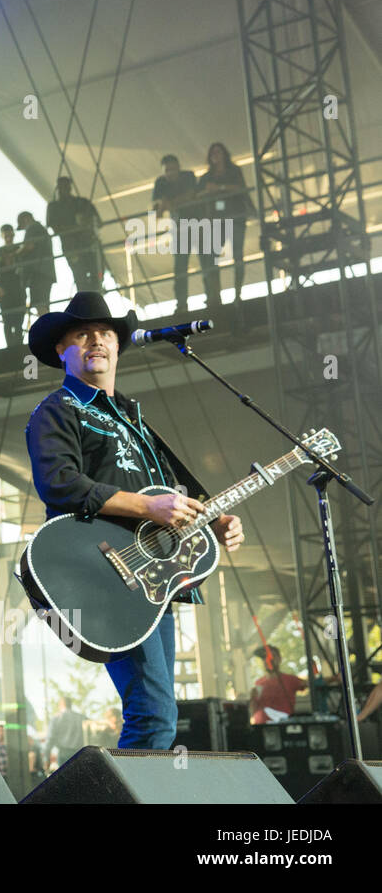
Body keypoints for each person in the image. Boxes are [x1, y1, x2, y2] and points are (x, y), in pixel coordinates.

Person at [23, 292, 245, 748]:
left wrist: (212, 521)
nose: (96, 341)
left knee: (158, 712)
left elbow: (170, 494)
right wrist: (148, 508)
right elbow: (60, 484)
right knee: (154, 713)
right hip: (102, 575)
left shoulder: (133, 417)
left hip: (151, 577)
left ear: (119, 347)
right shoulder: (57, 410)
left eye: (105, 333)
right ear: (61, 350)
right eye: (82, 334)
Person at [195, 142, 251, 309]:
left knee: (238, 257)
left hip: (236, 218)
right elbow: (198, 194)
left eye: (218, 152)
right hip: (215, 221)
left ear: (224, 154)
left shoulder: (234, 171)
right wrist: (209, 191)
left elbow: (240, 188)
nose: (216, 156)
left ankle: (237, 294)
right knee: (211, 258)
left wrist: (219, 188)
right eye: (213, 153)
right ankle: (214, 295)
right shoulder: (206, 177)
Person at [151, 154, 200, 312]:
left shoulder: (188, 176)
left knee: (207, 262)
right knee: (180, 267)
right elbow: (157, 204)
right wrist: (164, 204)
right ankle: (181, 304)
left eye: (172, 169)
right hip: (179, 228)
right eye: (167, 170)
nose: (170, 173)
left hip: (199, 223)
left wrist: (169, 203)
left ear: (179, 167)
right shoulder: (160, 182)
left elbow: (191, 195)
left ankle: (213, 299)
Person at [45, 177, 102, 292]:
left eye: (66, 186)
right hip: (72, 247)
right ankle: (88, 301)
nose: (64, 189)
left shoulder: (82, 203)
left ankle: (94, 300)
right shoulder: (54, 207)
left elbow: (98, 222)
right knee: (81, 278)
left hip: (87, 244)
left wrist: (86, 222)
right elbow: (54, 228)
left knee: (96, 276)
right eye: (62, 186)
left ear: (70, 187)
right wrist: (77, 227)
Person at [248, 645, 308, 723]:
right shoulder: (258, 683)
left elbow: (311, 684)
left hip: (283, 727)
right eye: (264, 658)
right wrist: (252, 699)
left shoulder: (290, 680)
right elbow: (253, 711)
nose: (268, 660)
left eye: (272, 657)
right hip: (261, 728)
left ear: (279, 659)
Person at [0, 223, 26, 348]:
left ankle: (18, 345)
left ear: (13, 234)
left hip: (19, 288)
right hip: (4, 290)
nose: (8, 236)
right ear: (2, 235)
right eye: (5, 233)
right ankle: (10, 347)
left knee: (19, 320)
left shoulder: (20, 248)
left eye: (9, 233)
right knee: (7, 320)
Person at [16, 210, 55, 319]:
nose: (23, 228)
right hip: (45, 272)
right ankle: (48, 327)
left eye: (22, 225)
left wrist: (16, 254)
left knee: (40, 304)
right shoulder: (41, 229)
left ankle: (47, 329)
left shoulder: (33, 228)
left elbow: (29, 246)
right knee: (43, 304)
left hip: (38, 272)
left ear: (25, 219)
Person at [44, 696, 86, 769]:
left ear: (60, 705)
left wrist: (46, 758)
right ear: (70, 704)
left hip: (63, 754)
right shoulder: (82, 718)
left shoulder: (56, 718)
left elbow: (50, 739)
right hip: (79, 753)